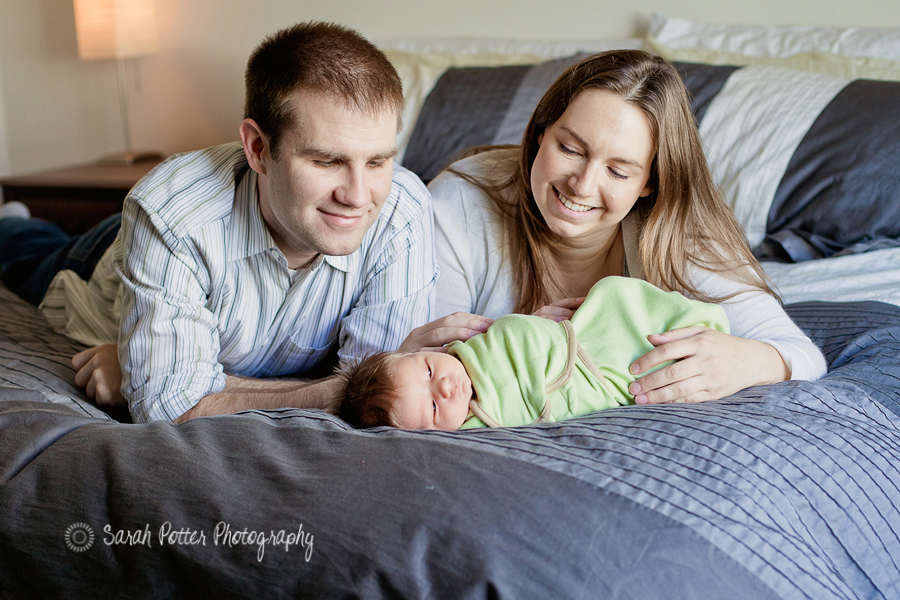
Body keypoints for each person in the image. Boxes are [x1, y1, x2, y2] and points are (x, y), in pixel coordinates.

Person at [0, 22, 443, 423]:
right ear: (257, 148)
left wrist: (143, 369)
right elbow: (169, 407)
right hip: (100, 263)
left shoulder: (403, 215)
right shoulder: (171, 214)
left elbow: (370, 395)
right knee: (22, 246)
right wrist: (157, 379)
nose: (358, 196)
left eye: (379, 161)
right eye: (327, 161)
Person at [403, 49, 826, 405]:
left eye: (619, 172)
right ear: (539, 133)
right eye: (570, 148)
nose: (582, 185)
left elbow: (801, 355)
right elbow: (423, 375)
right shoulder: (462, 199)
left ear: (649, 183)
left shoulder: (681, 234)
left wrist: (747, 361)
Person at [339, 276, 730, 430]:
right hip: (585, 388)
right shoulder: (476, 430)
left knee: (617, 298)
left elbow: (521, 339)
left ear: (433, 350)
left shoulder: (483, 344)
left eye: (427, 370)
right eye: (436, 411)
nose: (443, 387)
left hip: (580, 344)